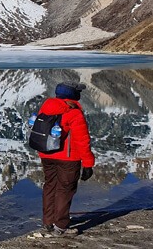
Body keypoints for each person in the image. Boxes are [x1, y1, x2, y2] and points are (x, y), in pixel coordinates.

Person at [36, 81, 95, 236]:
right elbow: (82, 141)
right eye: (78, 92)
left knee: (50, 186)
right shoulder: (74, 112)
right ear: (72, 95)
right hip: (68, 159)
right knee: (65, 189)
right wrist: (88, 164)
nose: (80, 94)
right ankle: (61, 226)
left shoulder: (47, 106)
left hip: (46, 154)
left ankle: (48, 222)